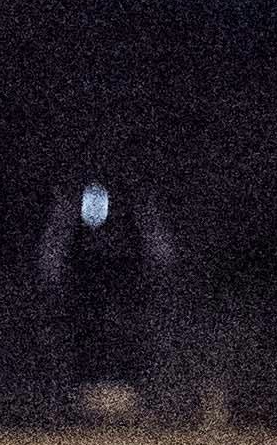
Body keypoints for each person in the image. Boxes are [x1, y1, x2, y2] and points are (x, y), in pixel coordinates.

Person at [36, 177, 176, 424]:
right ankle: (66, 404)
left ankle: (141, 399)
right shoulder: (79, 251)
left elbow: (161, 258)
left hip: (125, 285)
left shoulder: (133, 238)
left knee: (136, 333)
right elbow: (53, 257)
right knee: (77, 335)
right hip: (85, 286)